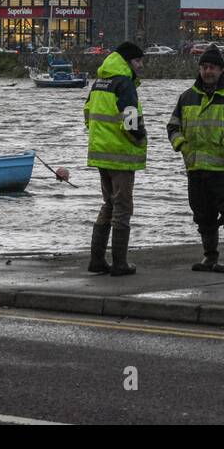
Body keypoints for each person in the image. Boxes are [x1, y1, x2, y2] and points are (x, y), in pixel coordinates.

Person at [166, 44, 224, 274]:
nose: (208, 72)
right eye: (204, 67)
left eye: (212, 67)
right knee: (203, 217)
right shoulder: (186, 97)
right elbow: (172, 127)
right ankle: (210, 258)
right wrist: (182, 147)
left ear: (222, 70)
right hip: (196, 169)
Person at [83, 41, 147, 276]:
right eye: (139, 61)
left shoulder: (100, 81)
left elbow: (87, 112)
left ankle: (97, 260)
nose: (141, 65)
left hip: (100, 152)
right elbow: (130, 120)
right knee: (122, 207)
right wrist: (140, 137)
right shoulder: (124, 82)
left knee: (108, 204)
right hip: (121, 154)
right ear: (129, 61)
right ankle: (120, 263)